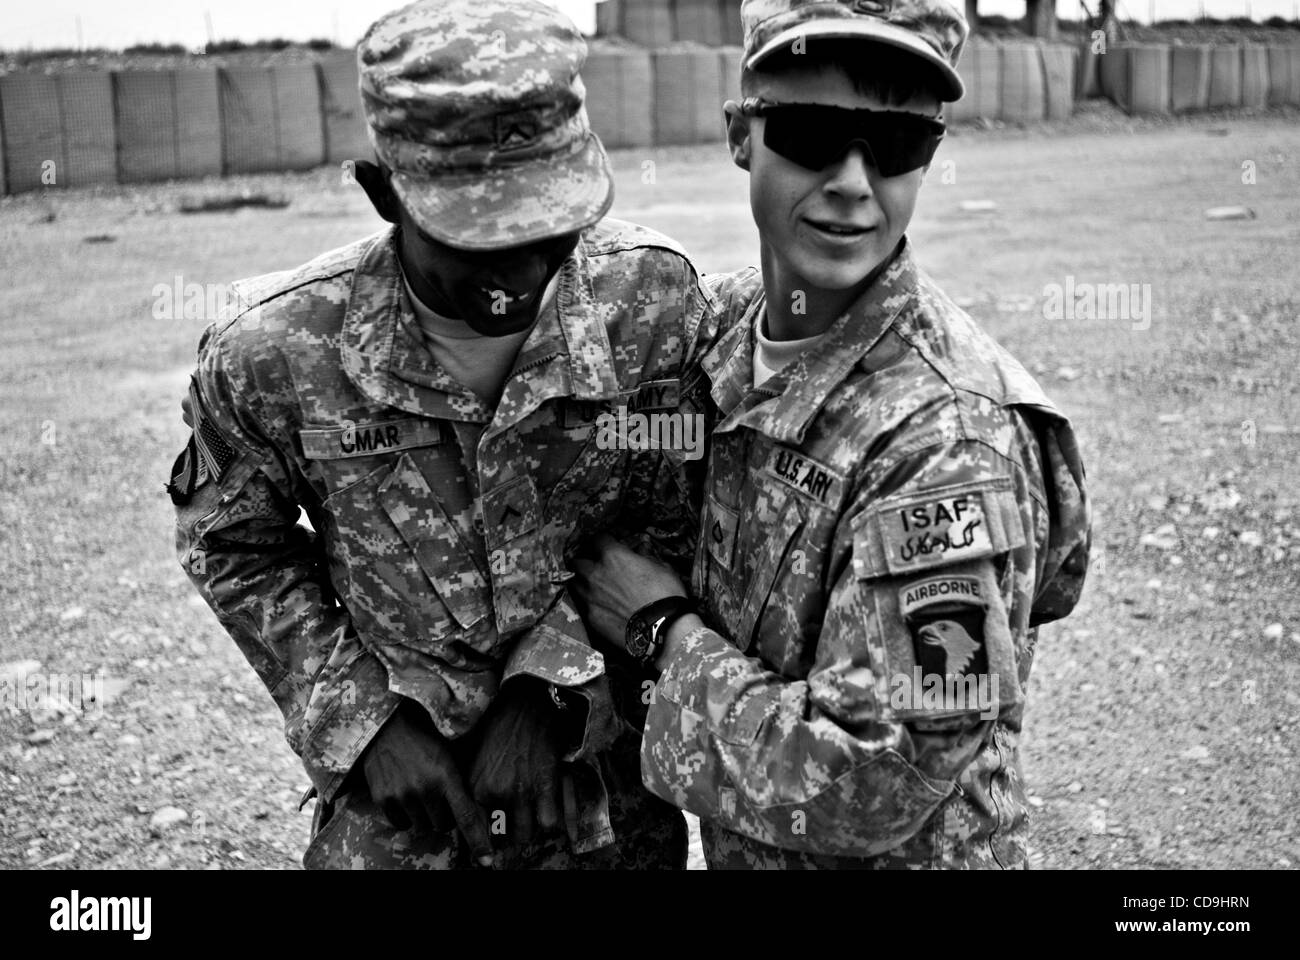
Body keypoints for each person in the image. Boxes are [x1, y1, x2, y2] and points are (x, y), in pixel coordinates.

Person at [168, 0, 709, 869]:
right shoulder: (277, 354)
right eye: (482, 242)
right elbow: (235, 543)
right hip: (401, 819)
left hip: (600, 803)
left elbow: (676, 519)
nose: (527, 274)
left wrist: (554, 688)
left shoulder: (651, 306)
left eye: (551, 231)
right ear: (383, 192)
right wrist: (362, 720)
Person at [571, 0, 1091, 869]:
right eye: (813, 133)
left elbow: (877, 781)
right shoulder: (725, 331)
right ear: (742, 134)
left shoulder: (946, 440)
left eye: (897, 145)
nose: (855, 180)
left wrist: (660, 633)